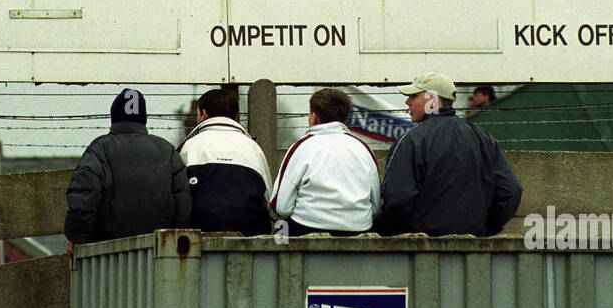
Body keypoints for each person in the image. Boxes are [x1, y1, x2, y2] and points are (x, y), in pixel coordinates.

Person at [375, 72, 522, 237]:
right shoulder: (482, 137)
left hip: (420, 249)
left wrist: (389, 232)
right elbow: (511, 190)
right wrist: (486, 227)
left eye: (414, 96)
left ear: (433, 100)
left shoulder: (411, 140)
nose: (407, 102)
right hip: (475, 247)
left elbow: (398, 200)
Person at [64, 87, 191, 251]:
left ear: (114, 117)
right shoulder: (167, 151)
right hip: (159, 252)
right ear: (143, 118)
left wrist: (77, 238)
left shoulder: (99, 150)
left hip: (107, 255)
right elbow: (183, 204)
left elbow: (83, 200)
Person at [271, 88, 381, 236]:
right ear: (344, 117)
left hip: (307, 229)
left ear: (314, 117)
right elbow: (376, 205)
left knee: (281, 225)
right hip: (358, 230)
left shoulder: (301, 147)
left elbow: (281, 206)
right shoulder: (363, 149)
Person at [178, 87, 273, 235]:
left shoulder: (189, 147)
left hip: (200, 238)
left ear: (203, 113)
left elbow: (180, 198)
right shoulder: (253, 148)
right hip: (250, 236)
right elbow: (268, 197)